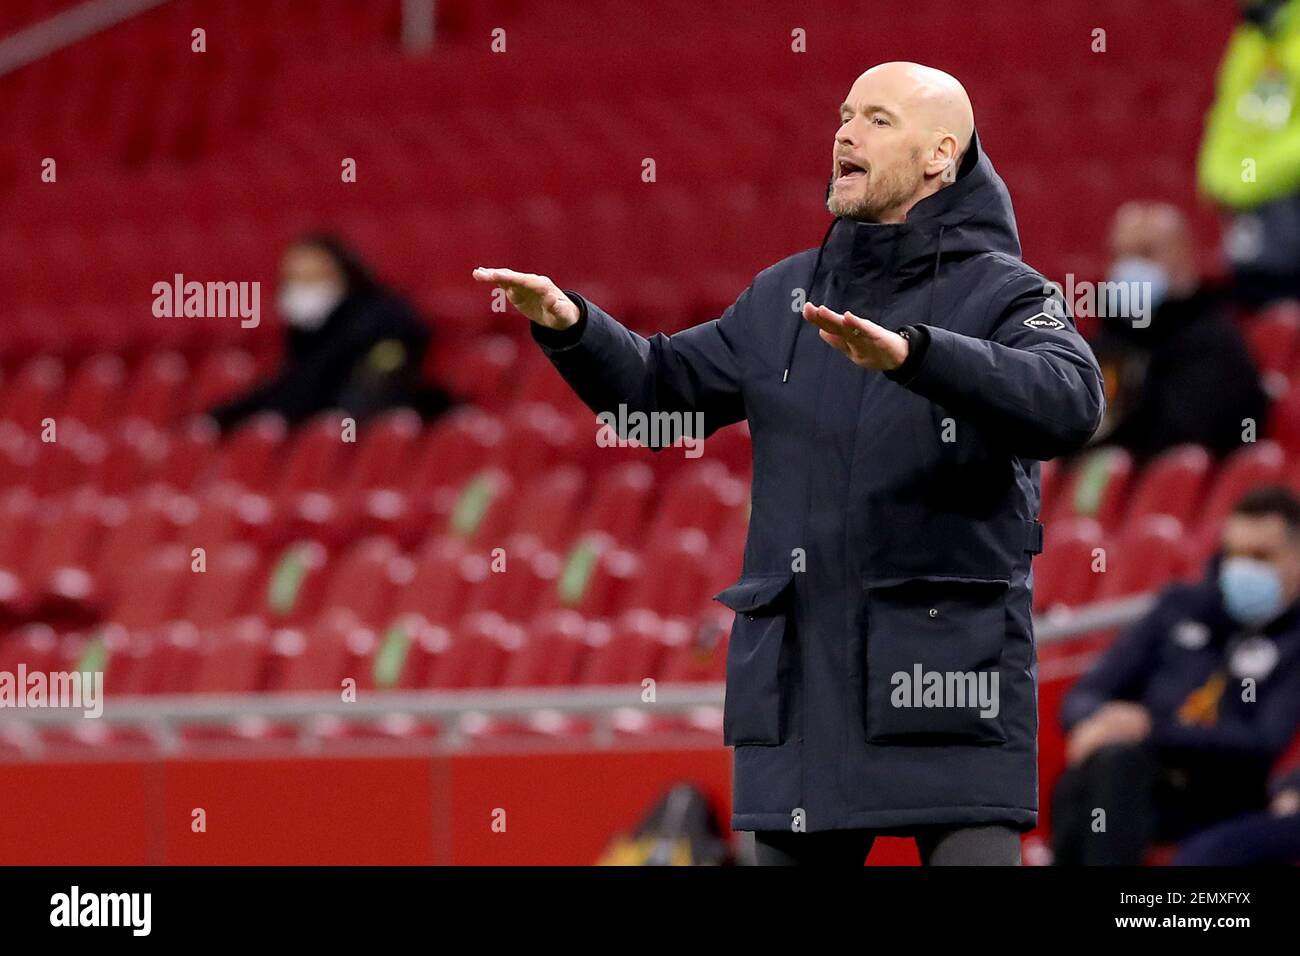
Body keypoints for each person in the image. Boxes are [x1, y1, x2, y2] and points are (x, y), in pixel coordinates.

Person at [474, 62, 1105, 865]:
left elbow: (1071, 400)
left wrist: (917, 356)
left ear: (941, 154)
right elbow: (659, 398)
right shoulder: (785, 296)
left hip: (945, 687)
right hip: (803, 691)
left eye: (877, 119)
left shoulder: (1005, 292)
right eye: (844, 115)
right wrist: (571, 325)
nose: (845, 132)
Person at [1053, 486, 1300, 866]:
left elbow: (1262, 740)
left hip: (1220, 795)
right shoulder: (1179, 607)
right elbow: (1084, 694)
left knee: (1116, 765)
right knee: (1105, 765)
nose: (1243, 569)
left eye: (1261, 557)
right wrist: (1102, 720)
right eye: (1234, 554)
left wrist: (1152, 729)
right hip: (1139, 782)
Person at [1088, 202, 1269, 463]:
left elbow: (1186, 442)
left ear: (1185, 257)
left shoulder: (1214, 346)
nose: (1128, 267)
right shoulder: (1107, 343)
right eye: (1119, 255)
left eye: (1146, 253)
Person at [210, 234, 448, 429]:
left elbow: (312, 390)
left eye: (312, 278)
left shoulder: (375, 322)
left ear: (343, 275)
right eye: (293, 280)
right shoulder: (307, 333)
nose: (301, 289)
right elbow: (288, 387)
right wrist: (219, 420)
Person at [1199, 0, 1300, 306]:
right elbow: (1229, 119)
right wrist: (1224, 178)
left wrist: (1249, 179)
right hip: (1250, 210)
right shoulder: (1251, 36)